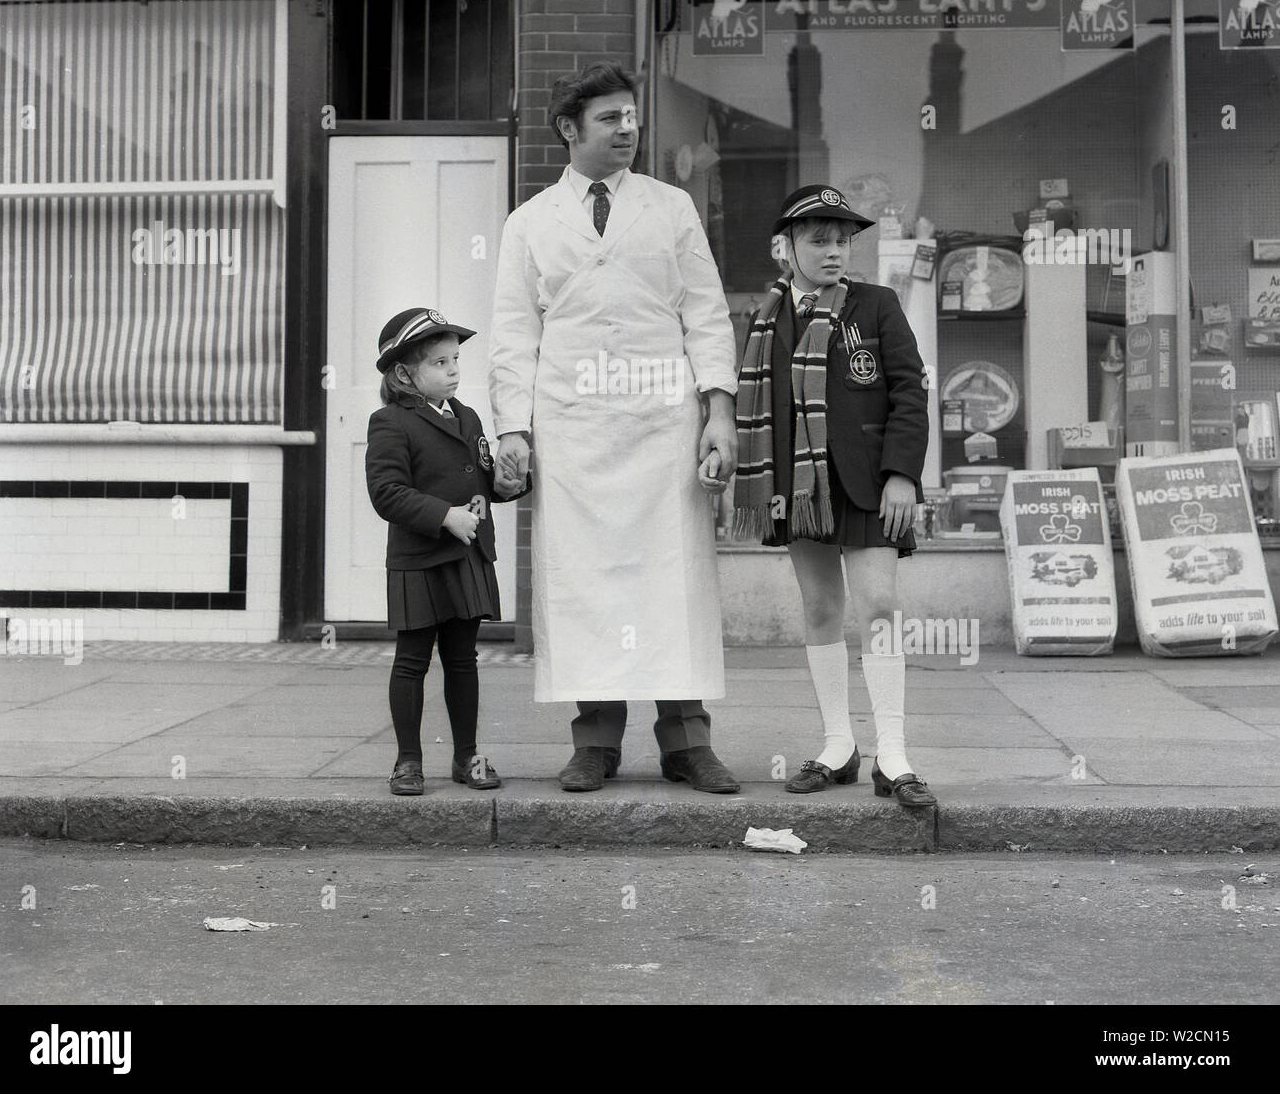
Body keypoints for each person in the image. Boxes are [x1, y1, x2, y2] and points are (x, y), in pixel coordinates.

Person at [487, 62, 742, 794]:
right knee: (585, 584)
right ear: (570, 129)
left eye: (632, 116)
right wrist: (515, 432)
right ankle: (595, 741)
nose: (628, 129)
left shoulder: (671, 209)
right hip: (574, 432)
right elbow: (512, 336)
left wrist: (718, 410)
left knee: (675, 580)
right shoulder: (529, 223)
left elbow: (706, 313)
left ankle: (687, 742)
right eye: (610, 118)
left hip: (664, 424)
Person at [733, 185, 936, 807]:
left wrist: (902, 473)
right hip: (799, 487)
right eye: (818, 239)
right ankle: (838, 745)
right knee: (821, 608)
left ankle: (892, 754)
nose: (833, 251)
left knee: (878, 606)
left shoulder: (876, 305)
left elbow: (909, 389)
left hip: (871, 484)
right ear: (784, 248)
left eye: (842, 240)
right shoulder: (763, 320)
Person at [365, 307, 527, 797]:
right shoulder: (389, 422)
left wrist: (506, 484)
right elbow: (387, 493)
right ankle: (408, 761)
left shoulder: (469, 417)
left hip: (466, 557)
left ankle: (466, 756)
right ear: (404, 374)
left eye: (455, 359)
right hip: (420, 559)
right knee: (412, 660)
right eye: (439, 362)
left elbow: (479, 480)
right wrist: (444, 515)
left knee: (463, 660)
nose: (454, 369)